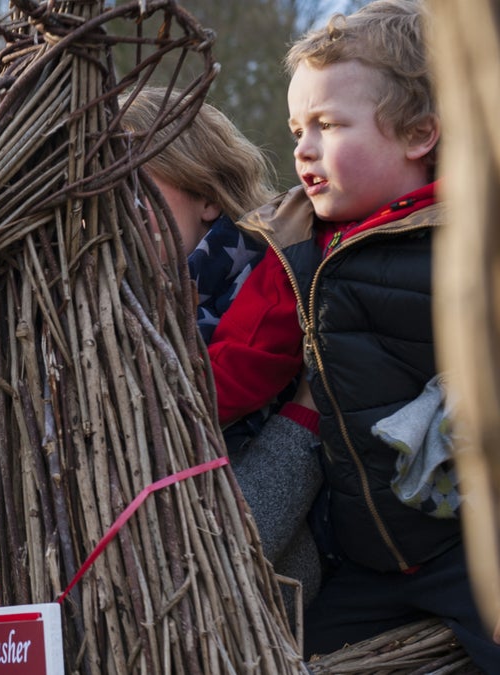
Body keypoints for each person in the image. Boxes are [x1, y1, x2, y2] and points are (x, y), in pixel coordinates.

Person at [202, 0, 500, 664]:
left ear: (419, 132)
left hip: (468, 545)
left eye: (328, 125)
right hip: (367, 561)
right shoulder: (299, 249)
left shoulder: (474, 231)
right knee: (295, 656)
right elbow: (238, 366)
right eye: (296, 127)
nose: (302, 148)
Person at [120, 87, 323, 611]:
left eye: (136, 185)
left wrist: (302, 415)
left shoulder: (291, 289)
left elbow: (225, 555)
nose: (116, 212)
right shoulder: (97, 334)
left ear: (208, 195)